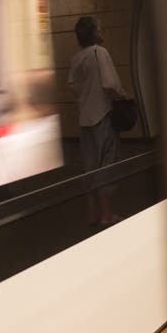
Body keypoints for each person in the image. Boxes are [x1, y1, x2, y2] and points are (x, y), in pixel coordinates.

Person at [68, 16, 127, 226]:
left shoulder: (77, 57)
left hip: (85, 119)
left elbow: (72, 85)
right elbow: (110, 83)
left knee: (90, 166)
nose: (102, 31)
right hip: (104, 115)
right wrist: (121, 96)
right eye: (99, 28)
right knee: (107, 164)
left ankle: (91, 212)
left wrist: (85, 97)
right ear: (93, 33)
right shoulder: (99, 52)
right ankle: (106, 214)